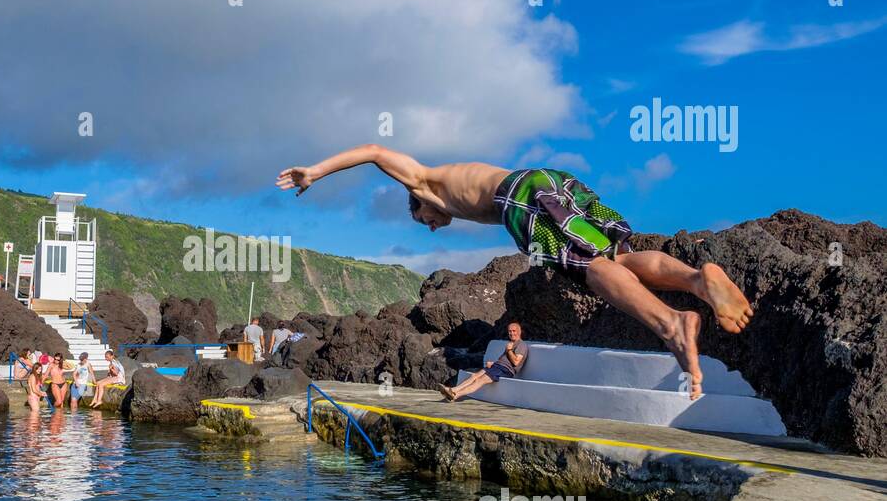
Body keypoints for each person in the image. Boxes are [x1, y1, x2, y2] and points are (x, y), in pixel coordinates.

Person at [277, 146, 753, 399]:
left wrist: (316, 172)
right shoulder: (464, 181)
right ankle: (695, 280)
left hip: (520, 198)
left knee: (589, 269)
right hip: (550, 182)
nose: (431, 227)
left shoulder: (425, 181)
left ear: (417, 202)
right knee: (616, 259)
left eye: (422, 221)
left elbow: (376, 151)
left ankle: (673, 323)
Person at [440, 322, 529, 402]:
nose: (511, 333)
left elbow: (516, 362)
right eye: (510, 331)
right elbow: (505, 360)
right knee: (474, 376)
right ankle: (453, 390)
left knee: (480, 380)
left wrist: (509, 350)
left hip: (505, 370)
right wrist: (494, 363)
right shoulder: (511, 344)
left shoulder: (522, 345)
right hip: (497, 366)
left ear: (519, 331)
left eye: (514, 331)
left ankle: (455, 396)